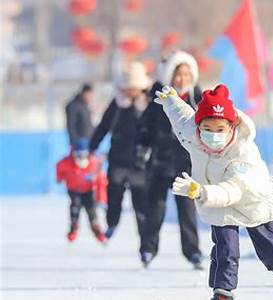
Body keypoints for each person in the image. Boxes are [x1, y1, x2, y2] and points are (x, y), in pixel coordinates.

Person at [154, 84, 273, 300]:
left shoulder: (242, 153)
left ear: (231, 127)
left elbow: (233, 190)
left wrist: (201, 192)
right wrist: (171, 100)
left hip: (252, 202)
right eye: (208, 129)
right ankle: (223, 292)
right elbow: (182, 118)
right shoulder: (193, 135)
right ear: (199, 127)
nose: (213, 136)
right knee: (225, 249)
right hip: (218, 202)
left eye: (220, 130)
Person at [136, 51, 203, 268]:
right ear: (171, 76)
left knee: (187, 209)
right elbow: (146, 125)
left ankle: (193, 252)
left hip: (186, 162)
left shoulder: (197, 99)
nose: (182, 79)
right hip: (160, 161)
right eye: (178, 74)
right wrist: (143, 146)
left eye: (186, 74)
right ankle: (148, 249)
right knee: (155, 207)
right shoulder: (160, 97)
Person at [90, 62, 151, 243]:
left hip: (140, 162)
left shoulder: (148, 105)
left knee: (141, 202)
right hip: (118, 159)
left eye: (134, 88)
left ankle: (145, 238)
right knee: (114, 195)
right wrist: (92, 146)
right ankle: (112, 224)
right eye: (127, 87)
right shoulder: (117, 105)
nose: (130, 91)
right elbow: (103, 127)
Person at [56, 138, 107, 243]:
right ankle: (73, 226)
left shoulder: (94, 163)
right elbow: (59, 168)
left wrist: (101, 198)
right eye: (77, 155)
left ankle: (96, 228)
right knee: (75, 205)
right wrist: (60, 178)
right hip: (73, 190)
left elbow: (101, 182)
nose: (80, 158)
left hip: (88, 190)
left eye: (83, 155)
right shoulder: (66, 163)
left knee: (91, 208)